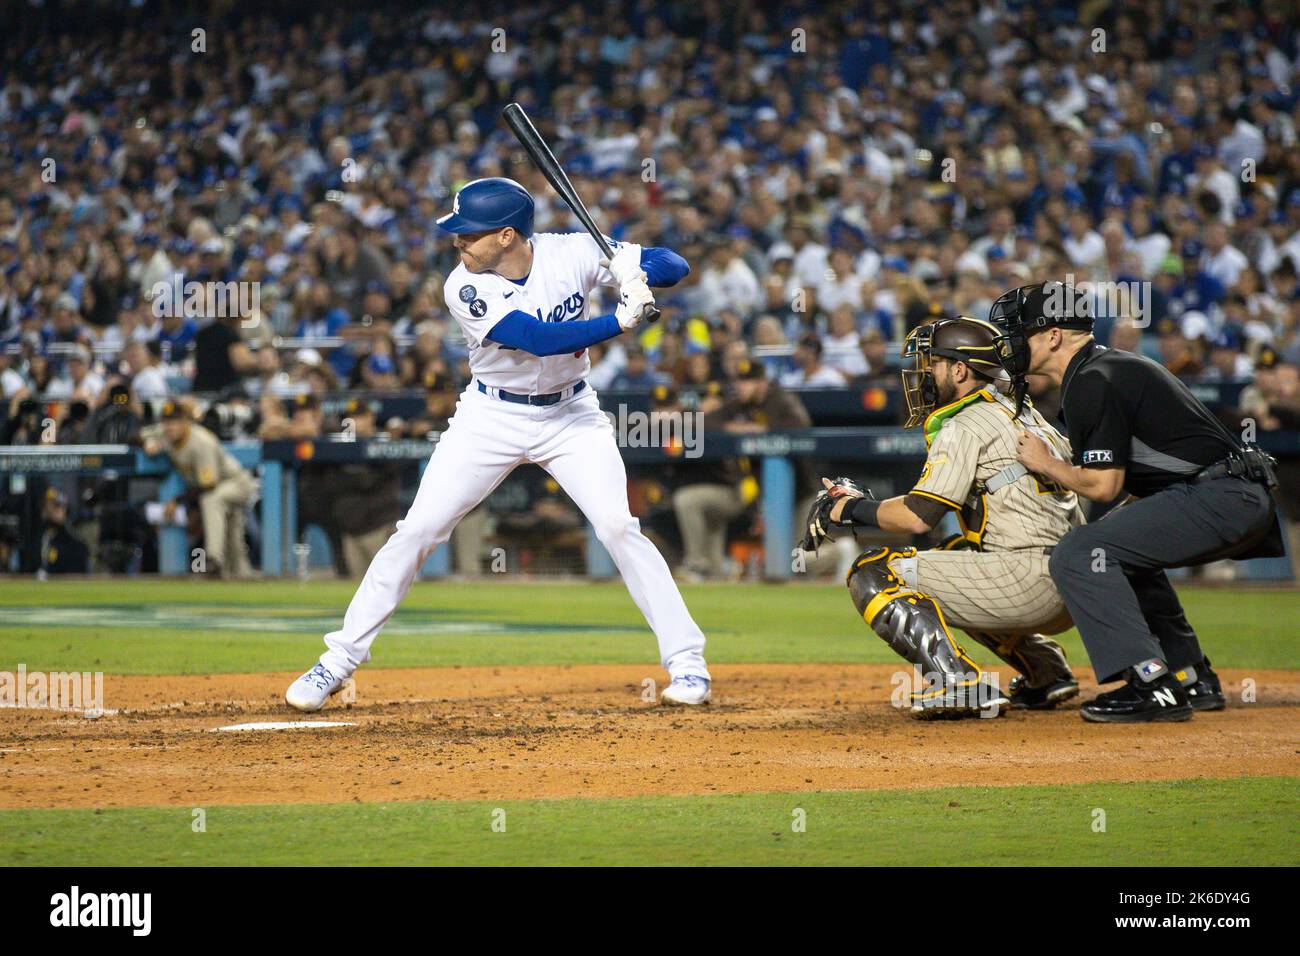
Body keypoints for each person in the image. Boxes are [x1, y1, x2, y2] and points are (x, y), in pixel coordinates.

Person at [286, 177, 713, 710]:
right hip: (490, 416)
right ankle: (337, 661)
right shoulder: (462, 285)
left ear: (508, 235)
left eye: (470, 233)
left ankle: (688, 663)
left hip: (571, 414)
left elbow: (677, 267)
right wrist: (619, 318)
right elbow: (535, 339)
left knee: (618, 526)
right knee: (417, 529)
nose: (458, 242)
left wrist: (631, 263)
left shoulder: (574, 250)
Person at [993, 281, 1282, 722]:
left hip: (1220, 495)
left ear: (1052, 336)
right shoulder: (1107, 367)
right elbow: (1153, 466)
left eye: (1018, 333)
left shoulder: (1092, 379)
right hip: (1230, 492)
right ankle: (1190, 677)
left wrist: (1047, 463)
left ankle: (1151, 685)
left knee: (1080, 551)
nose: (1010, 345)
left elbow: (1103, 486)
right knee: (1116, 548)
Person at [801, 317, 1083, 717]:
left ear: (960, 369)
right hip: (1075, 583)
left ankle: (957, 682)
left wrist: (847, 509)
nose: (924, 375)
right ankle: (1046, 671)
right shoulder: (1025, 413)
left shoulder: (964, 424)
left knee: (872, 570)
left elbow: (920, 516)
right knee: (954, 549)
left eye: (931, 363)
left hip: (1028, 586)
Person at [141, 399, 257, 578]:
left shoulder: (201, 441)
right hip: (215, 487)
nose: (169, 426)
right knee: (233, 540)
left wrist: (177, 501)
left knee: (211, 499)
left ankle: (212, 559)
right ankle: (241, 577)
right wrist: (147, 442)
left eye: (175, 421)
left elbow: (208, 485)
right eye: (166, 421)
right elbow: (135, 435)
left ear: (186, 422)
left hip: (236, 483)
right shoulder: (165, 433)